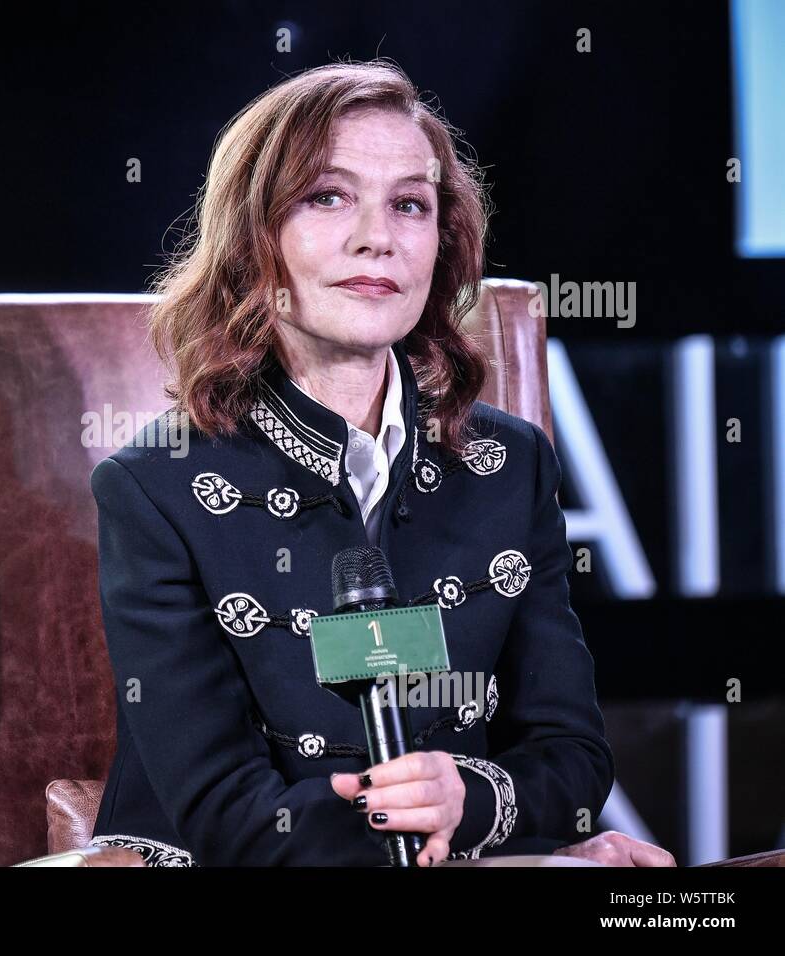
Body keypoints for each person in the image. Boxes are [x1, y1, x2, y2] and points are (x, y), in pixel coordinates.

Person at [85, 60, 673, 867]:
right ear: (254, 236)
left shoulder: (511, 464)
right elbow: (227, 814)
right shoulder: (154, 487)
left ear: (443, 243)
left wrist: (472, 804)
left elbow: (572, 760)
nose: (378, 236)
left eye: (410, 204)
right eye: (327, 196)